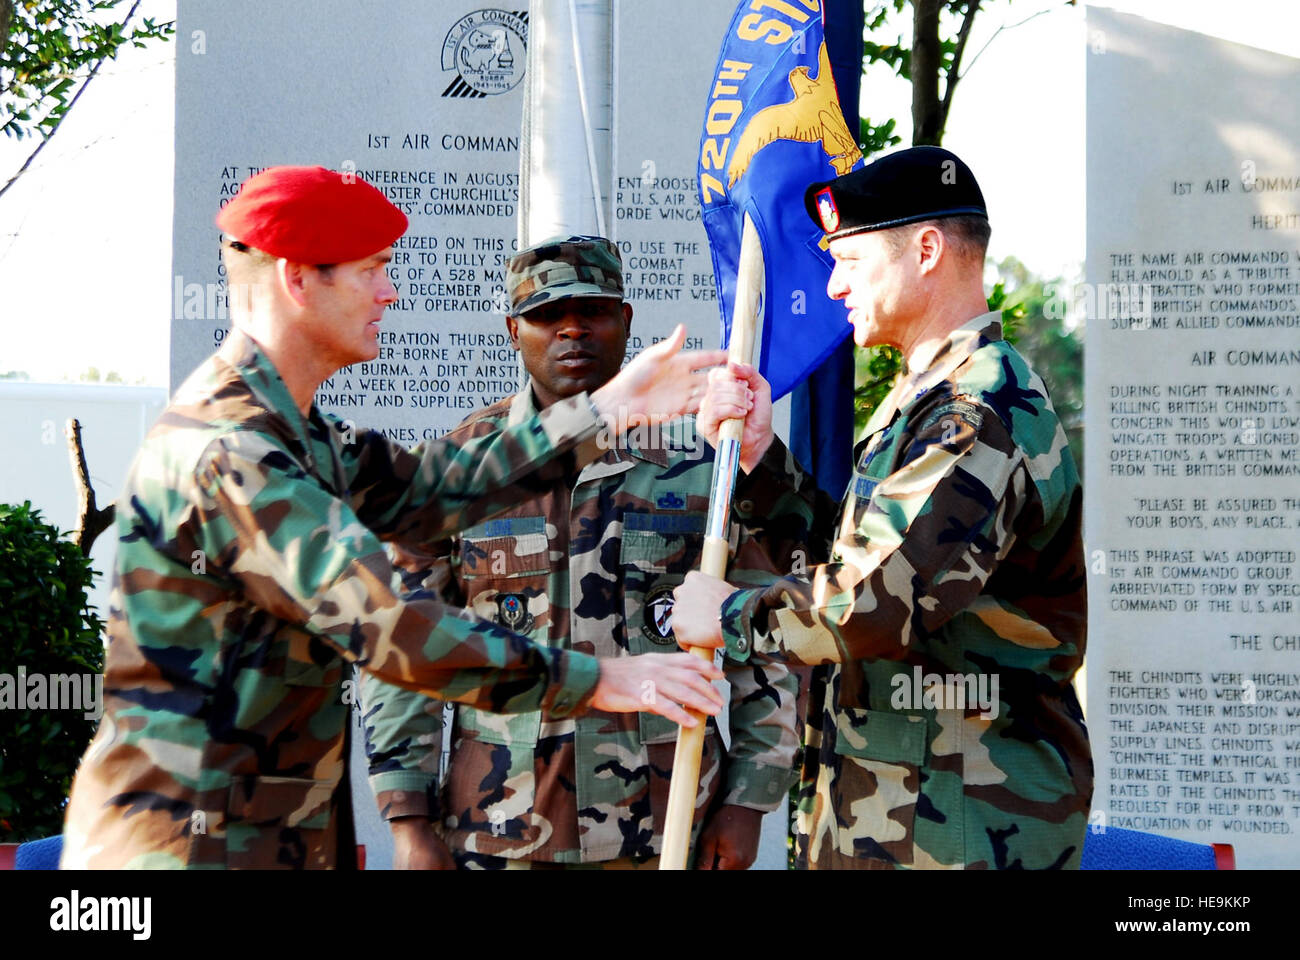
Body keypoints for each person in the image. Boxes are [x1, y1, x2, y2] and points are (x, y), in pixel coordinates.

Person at [59, 167, 729, 870]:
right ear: (297, 279)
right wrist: (601, 680)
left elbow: (432, 490)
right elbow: (387, 623)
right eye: (372, 271)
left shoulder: (300, 433)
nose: (391, 293)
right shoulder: (235, 451)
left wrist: (603, 413)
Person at [673, 146, 1093, 870]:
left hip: (963, 828)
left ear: (926, 249)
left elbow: (874, 602)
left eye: (851, 260)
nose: (834, 284)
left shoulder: (979, 411)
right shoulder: (927, 402)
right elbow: (858, 558)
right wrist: (760, 466)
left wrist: (730, 615)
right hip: (895, 815)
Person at [361, 236, 807, 870]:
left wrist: (746, 803)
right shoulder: (465, 473)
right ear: (514, 331)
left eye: (592, 310)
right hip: (498, 831)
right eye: (547, 316)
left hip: (664, 826)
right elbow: (406, 650)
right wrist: (407, 822)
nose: (572, 328)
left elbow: (761, 640)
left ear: (624, 321)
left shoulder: (701, 465)